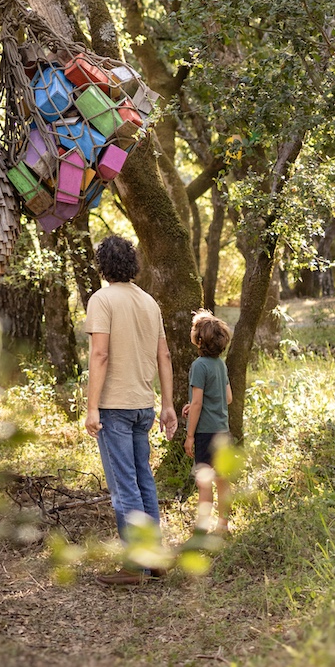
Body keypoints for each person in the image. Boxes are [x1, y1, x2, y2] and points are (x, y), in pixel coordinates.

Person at [83, 234, 178, 581]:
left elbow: (100, 354)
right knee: (143, 481)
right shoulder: (149, 302)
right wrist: (167, 405)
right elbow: (164, 355)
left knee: (124, 487)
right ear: (132, 265)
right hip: (143, 406)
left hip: (114, 407)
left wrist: (92, 407)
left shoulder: (102, 299)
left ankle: (135, 565)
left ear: (103, 266)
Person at [183, 309, 233, 535]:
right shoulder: (220, 365)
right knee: (222, 480)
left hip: (205, 433)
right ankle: (223, 525)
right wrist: (195, 403)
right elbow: (228, 398)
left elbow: (197, 403)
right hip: (223, 431)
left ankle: (202, 528)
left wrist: (189, 436)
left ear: (199, 339)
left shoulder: (199, 365)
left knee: (204, 481)